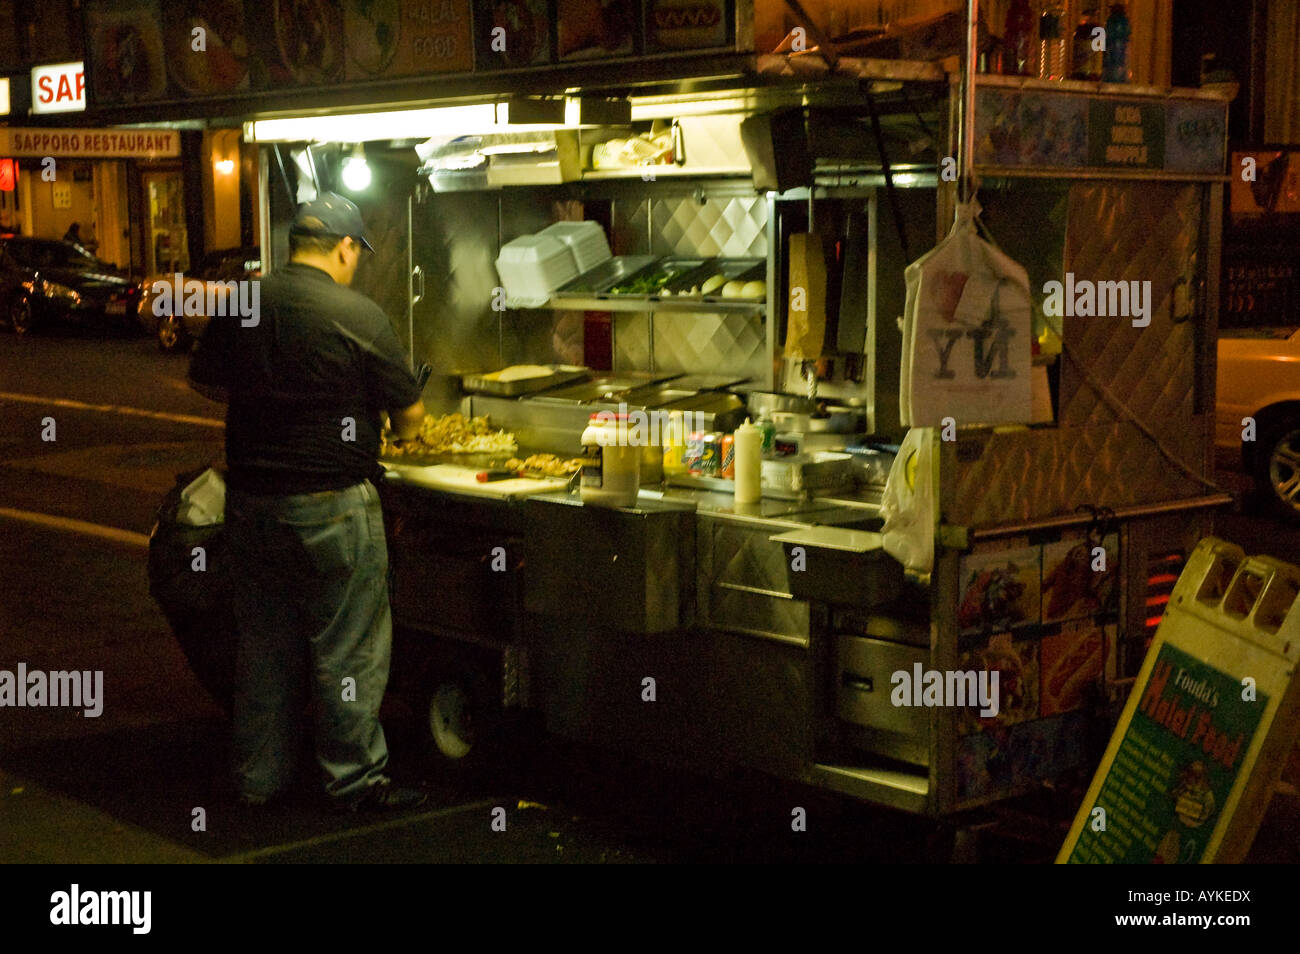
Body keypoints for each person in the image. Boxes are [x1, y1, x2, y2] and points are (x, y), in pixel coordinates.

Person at [188, 192, 429, 812]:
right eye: (356, 252)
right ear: (345, 247)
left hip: (251, 505)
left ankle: (258, 779)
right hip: (331, 508)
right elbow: (411, 418)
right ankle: (352, 782)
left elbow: (205, 382)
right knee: (346, 648)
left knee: (264, 649)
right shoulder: (359, 313)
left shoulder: (243, 304)